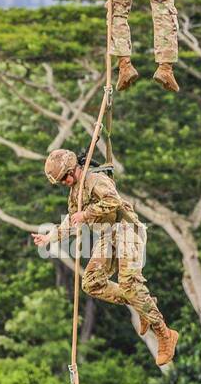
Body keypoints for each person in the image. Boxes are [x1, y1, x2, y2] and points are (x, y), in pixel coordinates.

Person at [32, 148, 178, 366]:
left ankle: (164, 333)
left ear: (73, 170)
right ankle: (142, 305)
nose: (63, 182)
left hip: (127, 231)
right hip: (108, 237)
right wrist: (49, 237)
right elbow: (71, 222)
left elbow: (114, 201)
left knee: (129, 284)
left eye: (64, 177)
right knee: (91, 283)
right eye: (60, 181)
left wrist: (87, 214)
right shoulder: (74, 193)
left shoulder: (95, 179)